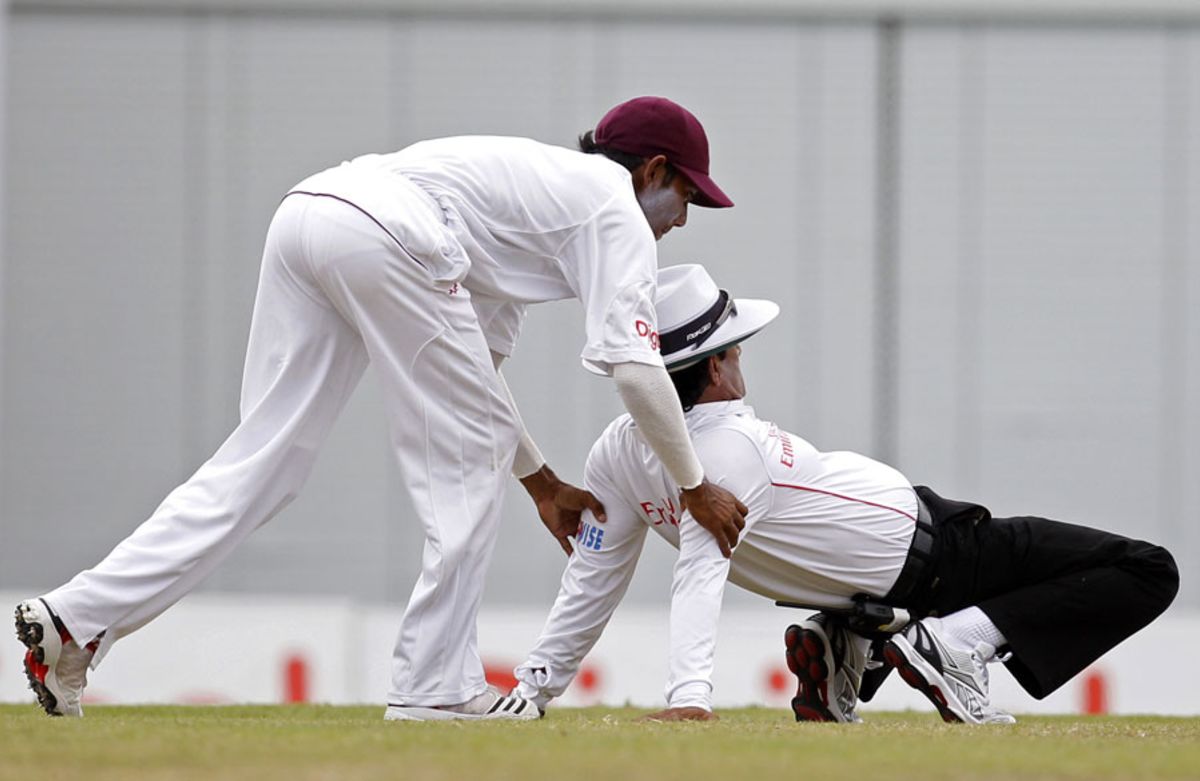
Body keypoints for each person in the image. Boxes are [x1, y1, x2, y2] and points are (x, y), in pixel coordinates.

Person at [14, 97, 751, 721]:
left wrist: (542, 482)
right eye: (685, 196)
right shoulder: (612, 209)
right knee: (463, 465)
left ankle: (76, 620)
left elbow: (477, 382)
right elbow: (635, 367)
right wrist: (693, 486)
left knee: (263, 463)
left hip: (311, 214)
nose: (682, 220)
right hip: (392, 230)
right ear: (652, 172)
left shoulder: (530, 212)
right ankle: (435, 686)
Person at [513, 263, 1179, 724]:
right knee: (1149, 569)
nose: (743, 358)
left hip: (876, 581)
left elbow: (592, 577)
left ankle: (845, 653)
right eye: (735, 348)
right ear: (715, 367)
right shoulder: (728, 451)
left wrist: (532, 691)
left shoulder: (617, 450)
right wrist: (689, 696)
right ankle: (953, 642)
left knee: (887, 617)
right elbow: (698, 576)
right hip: (937, 547)